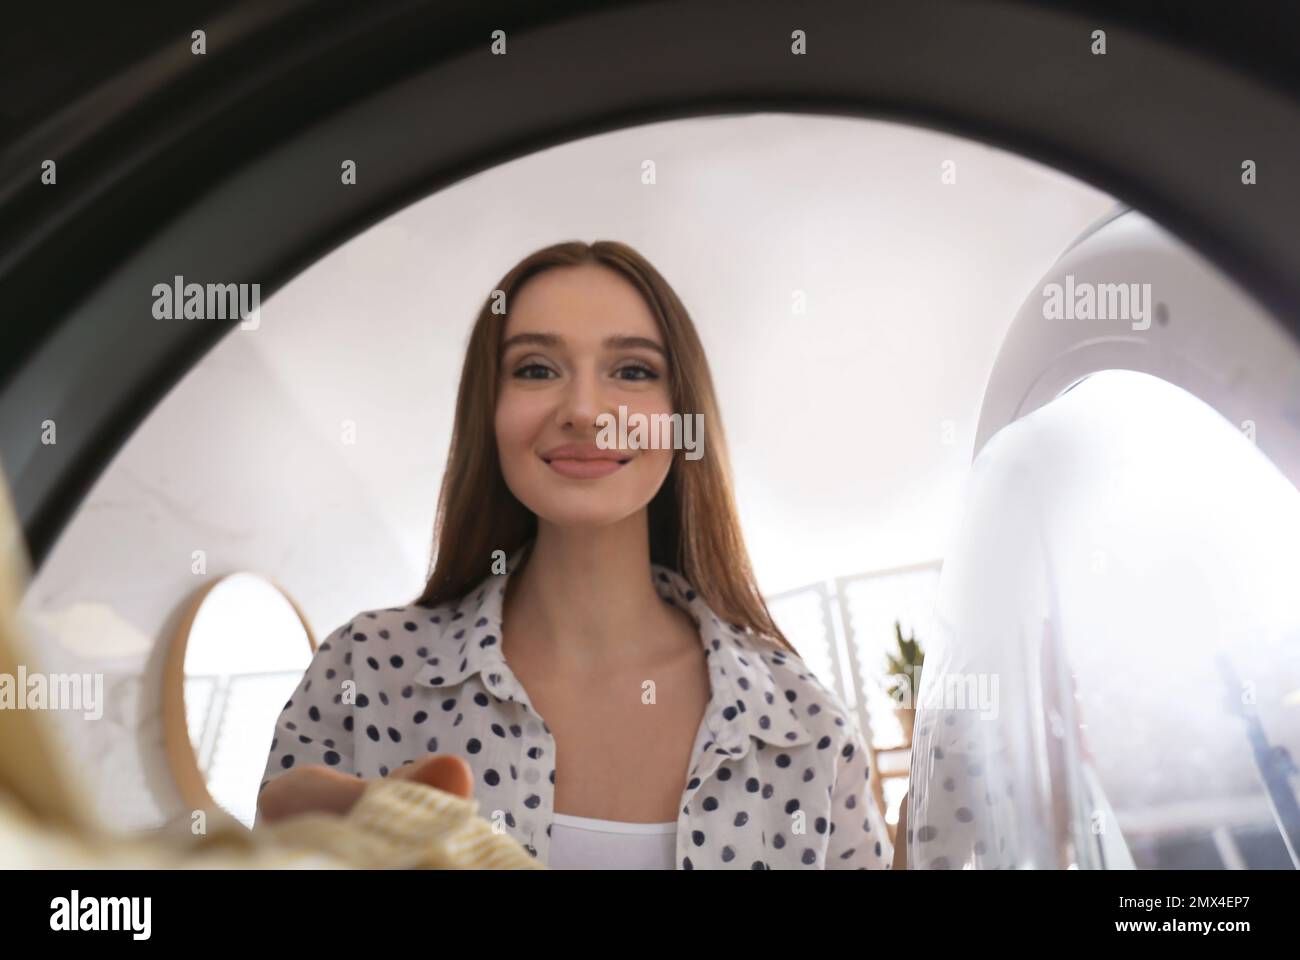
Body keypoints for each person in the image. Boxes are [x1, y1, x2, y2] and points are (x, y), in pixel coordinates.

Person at [259, 240, 893, 870]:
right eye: (535, 368)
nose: (586, 411)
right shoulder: (365, 669)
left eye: (633, 370)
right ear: (489, 411)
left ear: (680, 416)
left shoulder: (805, 722)